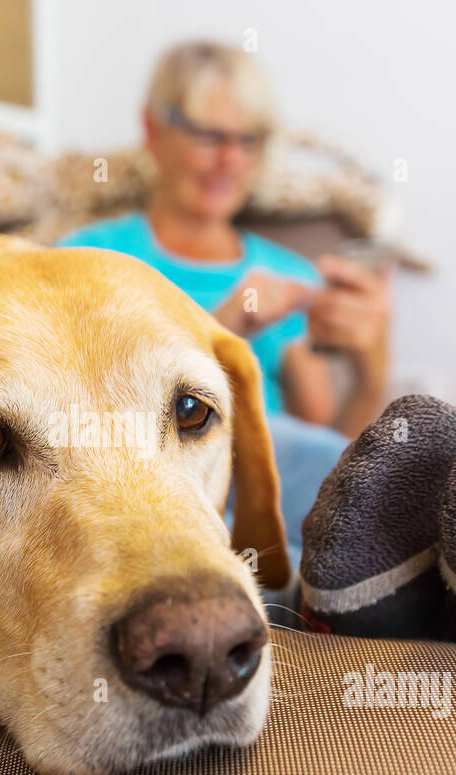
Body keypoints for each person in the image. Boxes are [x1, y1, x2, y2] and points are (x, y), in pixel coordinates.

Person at [58, 40, 394, 568]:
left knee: (283, 455)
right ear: (153, 131)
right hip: (146, 477)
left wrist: (371, 367)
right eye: (209, 136)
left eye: (249, 141)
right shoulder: (87, 260)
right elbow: (65, 413)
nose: (230, 160)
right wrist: (218, 331)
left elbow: (328, 457)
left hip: (277, 485)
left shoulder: (290, 276)